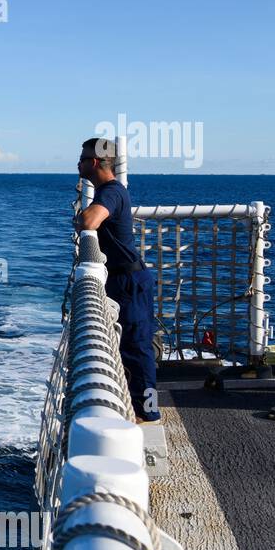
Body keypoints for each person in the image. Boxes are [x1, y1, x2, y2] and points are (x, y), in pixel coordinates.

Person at [74, 138, 161, 422]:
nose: (79, 162)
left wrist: (82, 218)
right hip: (122, 280)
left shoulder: (111, 191)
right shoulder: (109, 191)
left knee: (137, 347)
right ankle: (134, 405)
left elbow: (89, 221)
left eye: (83, 158)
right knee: (127, 346)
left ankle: (148, 412)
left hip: (129, 282)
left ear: (95, 162)